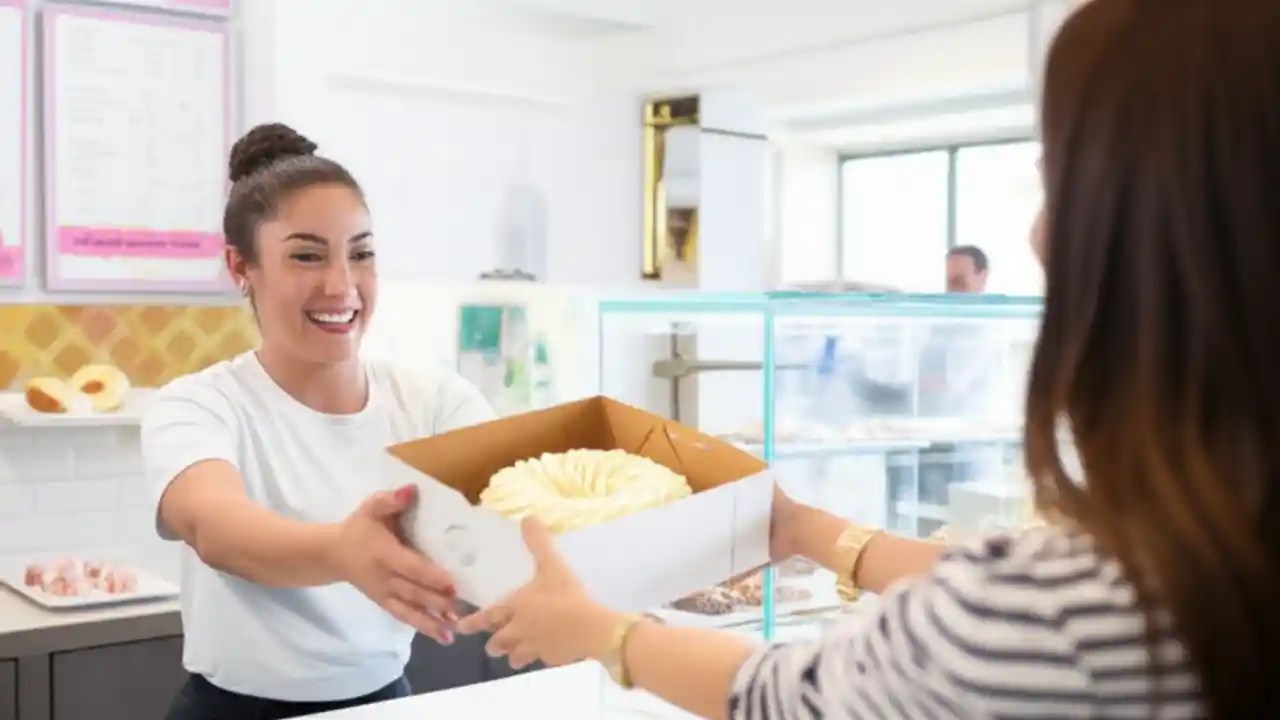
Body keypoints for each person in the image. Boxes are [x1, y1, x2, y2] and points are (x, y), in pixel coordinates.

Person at [460, 0, 1280, 717]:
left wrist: (602, 631)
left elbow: (796, 696)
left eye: (1060, 181)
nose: (1040, 230)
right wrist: (811, 530)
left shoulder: (1066, 615)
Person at [141, 123, 494, 719]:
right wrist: (341, 551)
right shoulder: (199, 406)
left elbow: (510, 503)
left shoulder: (435, 402)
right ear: (240, 267)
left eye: (361, 253)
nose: (341, 285)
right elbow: (214, 528)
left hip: (384, 702)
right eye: (306, 255)